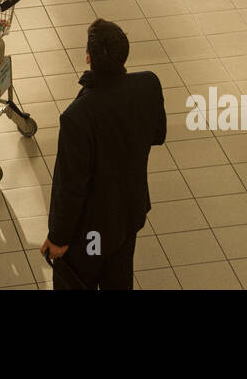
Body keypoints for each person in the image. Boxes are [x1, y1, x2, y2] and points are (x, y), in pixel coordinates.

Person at [41, 19, 166, 289]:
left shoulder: (77, 116)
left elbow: (71, 187)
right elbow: (158, 135)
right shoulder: (148, 85)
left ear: (88, 57)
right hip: (127, 215)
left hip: (90, 232)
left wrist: (58, 238)